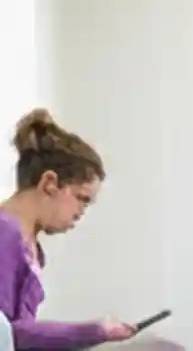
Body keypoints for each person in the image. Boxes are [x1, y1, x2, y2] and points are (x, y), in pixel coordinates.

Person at [0, 109, 135, 348]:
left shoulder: (32, 250)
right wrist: (95, 331)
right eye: (81, 198)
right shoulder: (4, 234)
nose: (81, 212)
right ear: (50, 183)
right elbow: (9, 334)